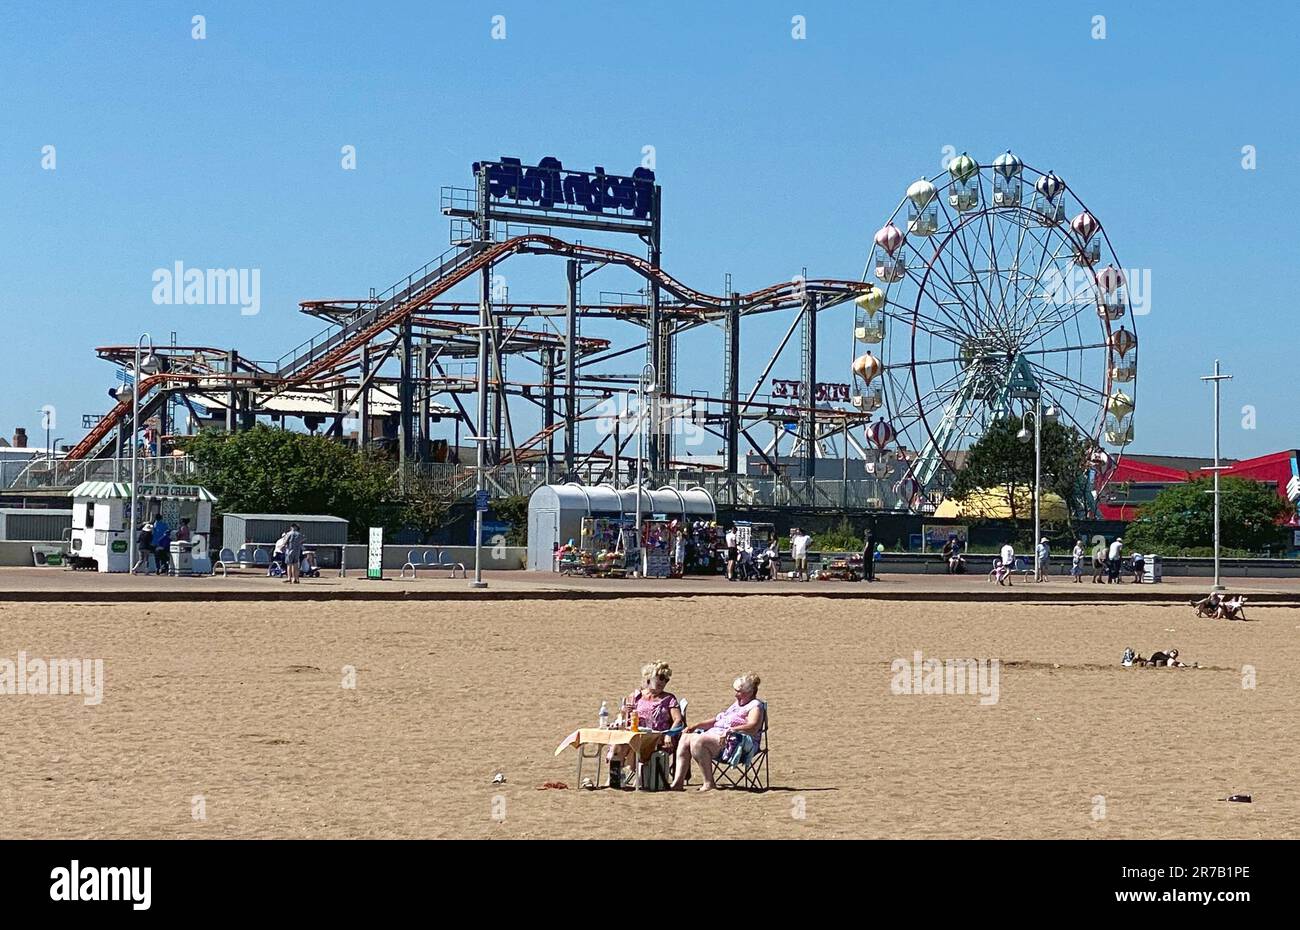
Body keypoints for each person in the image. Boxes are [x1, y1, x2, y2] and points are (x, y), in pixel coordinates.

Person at [670, 672, 764, 792]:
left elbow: (753, 726)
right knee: (685, 737)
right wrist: (695, 726)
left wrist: (732, 730)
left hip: (738, 743)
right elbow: (717, 720)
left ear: (750, 692)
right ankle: (678, 782)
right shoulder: (737, 704)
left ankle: (709, 783)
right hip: (719, 737)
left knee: (699, 741)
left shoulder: (755, 706)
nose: (736, 695)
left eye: (739, 692)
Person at [607, 660, 683, 788]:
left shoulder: (669, 699)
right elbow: (623, 715)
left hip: (657, 738)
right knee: (619, 743)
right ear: (649, 678)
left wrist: (669, 734)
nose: (662, 682)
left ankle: (630, 779)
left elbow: (678, 720)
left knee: (631, 742)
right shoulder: (636, 696)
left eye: (665, 679)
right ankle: (614, 780)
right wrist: (625, 711)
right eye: (659, 678)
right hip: (636, 734)